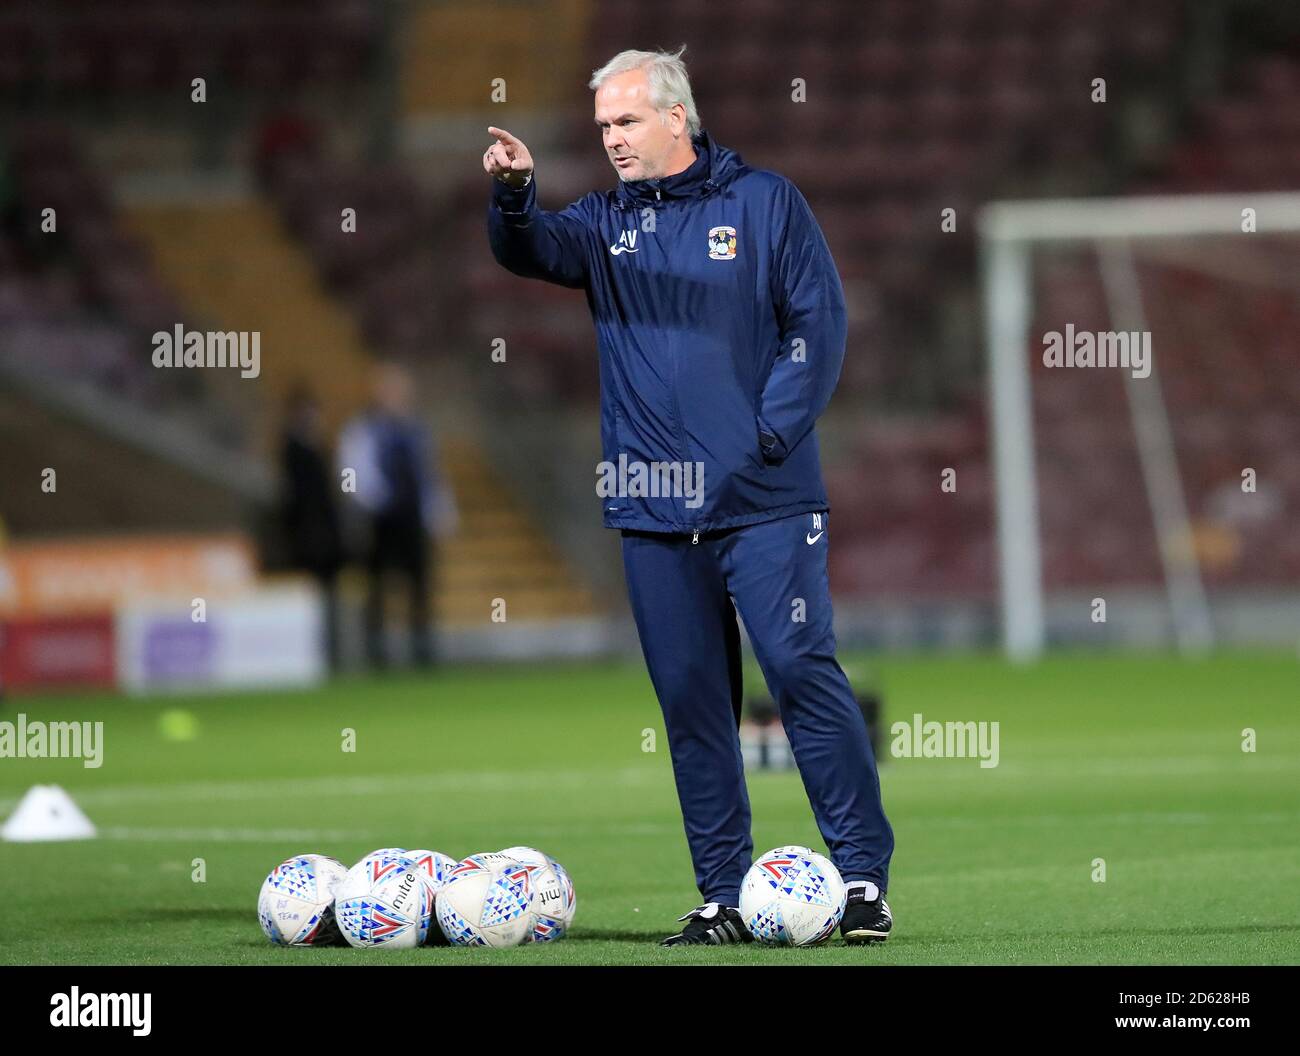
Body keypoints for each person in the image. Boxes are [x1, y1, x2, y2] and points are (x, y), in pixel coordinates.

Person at [483, 46, 894, 946]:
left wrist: (768, 438)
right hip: (650, 504)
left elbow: (816, 323)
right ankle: (724, 895)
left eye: (627, 122)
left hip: (767, 499)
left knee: (797, 671)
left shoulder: (767, 204)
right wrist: (514, 195)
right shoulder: (600, 224)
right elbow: (530, 250)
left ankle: (862, 879)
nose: (614, 141)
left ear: (678, 116)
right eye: (603, 128)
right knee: (692, 700)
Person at [338, 361, 456, 669]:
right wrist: (377, 502)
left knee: (420, 585)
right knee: (378, 584)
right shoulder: (363, 429)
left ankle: (422, 650)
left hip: (413, 517)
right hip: (382, 519)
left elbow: (430, 475)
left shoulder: (417, 430)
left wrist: (440, 512)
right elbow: (353, 473)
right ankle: (376, 652)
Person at [278, 385, 345, 671]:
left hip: (326, 537)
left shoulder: (322, 447)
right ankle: (312, 657)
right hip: (306, 536)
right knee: (308, 598)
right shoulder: (292, 449)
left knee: (329, 597)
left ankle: (332, 654)